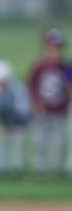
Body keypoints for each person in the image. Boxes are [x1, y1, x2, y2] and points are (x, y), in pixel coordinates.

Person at [27, 28, 70, 173]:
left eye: (58, 46)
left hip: (59, 110)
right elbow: (31, 86)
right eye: (52, 46)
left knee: (58, 141)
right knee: (40, 140)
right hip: (42, 109)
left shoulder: (66, 66)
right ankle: (40, 168)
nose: (55, 50)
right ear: (46, 47)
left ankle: (55, 168)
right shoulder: (39, 66)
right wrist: (35, 104)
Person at [0, 60, 31, 174]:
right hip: (2, 122)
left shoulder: (18, 88)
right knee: (1, 144)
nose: (0, 83)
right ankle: (1, 169)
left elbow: (24, 108)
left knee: (18, 145)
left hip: (18, 121)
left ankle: (17, 169)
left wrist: (19, 122)